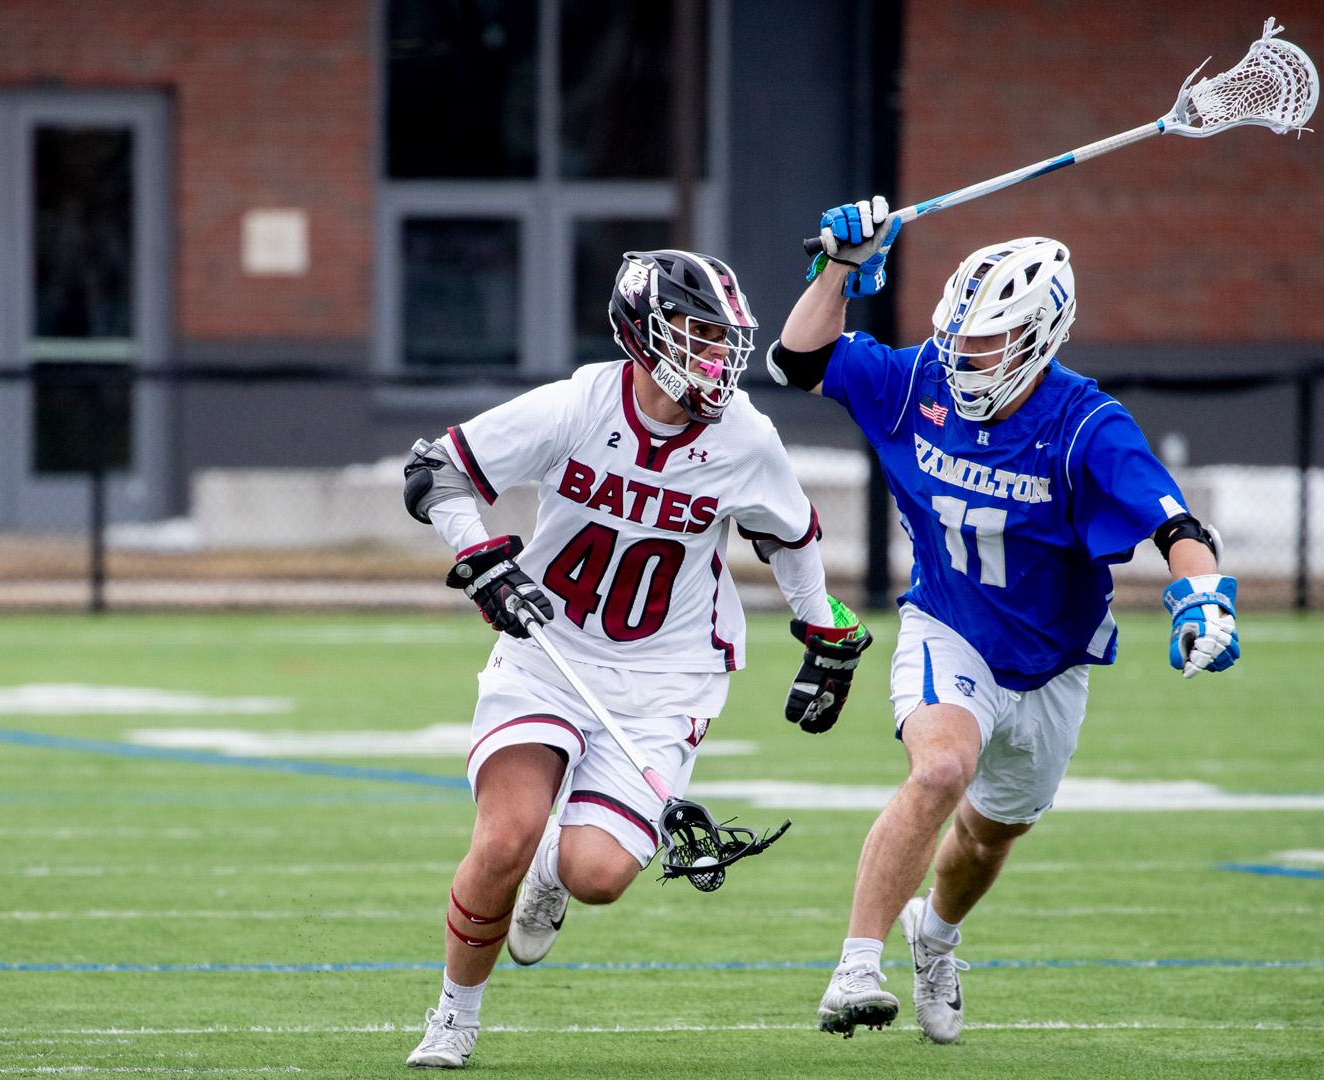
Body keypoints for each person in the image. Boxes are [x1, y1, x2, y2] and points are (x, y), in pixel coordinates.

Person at [767, 199, 1240, 1043]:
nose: (960, 354)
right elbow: (800, 358)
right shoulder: (920, 381)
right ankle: (855, 968)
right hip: (949, 626)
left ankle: (936, 938)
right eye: (956, 333)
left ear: (1038, 339)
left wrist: (1203, 598)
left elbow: (1179, 529)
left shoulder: (1085, 425)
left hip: (1054, 661)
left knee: (987, 842)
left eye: (983, 341)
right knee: (941, 771)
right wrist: (840, 263)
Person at [399, 249, 872, 1068]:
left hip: (667, 675)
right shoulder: (580, 405)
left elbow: (788, 538)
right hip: (549, 648)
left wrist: (822, 633)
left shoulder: (744, 437)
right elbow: (432, 470)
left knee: (598, 874)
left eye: (724, 338)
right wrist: (481, 561)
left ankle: (554, 866)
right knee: (504, 835)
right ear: (642, 334)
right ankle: (454, 1014)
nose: (715, 356)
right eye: (695, 333)